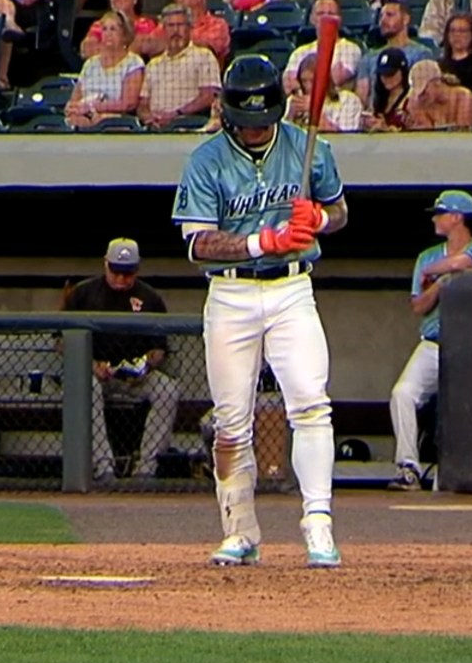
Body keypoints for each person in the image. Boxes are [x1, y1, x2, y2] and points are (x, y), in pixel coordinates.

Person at [171, 54, 350, 568]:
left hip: (293, 290)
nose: (255, 132)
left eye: (263, 122)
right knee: (231, 421)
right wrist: (264, 241)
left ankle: (318, 524)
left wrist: (317, 216)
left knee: (311, 403)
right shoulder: (206, 160)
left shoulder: (307, 148)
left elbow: (340, 211)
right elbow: (199, 244)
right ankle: (240, 530)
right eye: (246, 122)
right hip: (231, 295)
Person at [386, 191, 472, 491]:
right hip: (433, 341)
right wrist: (440, 286)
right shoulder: (427, 255)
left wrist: (436, 274)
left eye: (440, 213)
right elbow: (418, 306)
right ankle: (408, 467)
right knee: (402, 394)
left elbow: (462, 263)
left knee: (467, 408)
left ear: (457, 217)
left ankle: (465, 475)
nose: (435, 218)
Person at [61, 238, 181, 482]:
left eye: (128, 273)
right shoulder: (83, 293)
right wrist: (91, 365)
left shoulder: (150, 298)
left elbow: (159, 349)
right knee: (85, 387)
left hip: (136, 377)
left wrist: (145, 365)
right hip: (97, 373)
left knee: (168, 390)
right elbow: (61, 342)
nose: (121, 278)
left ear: (137, 269)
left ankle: (146, 468)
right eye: (116, 271)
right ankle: (103, 466)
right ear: (105, 264)